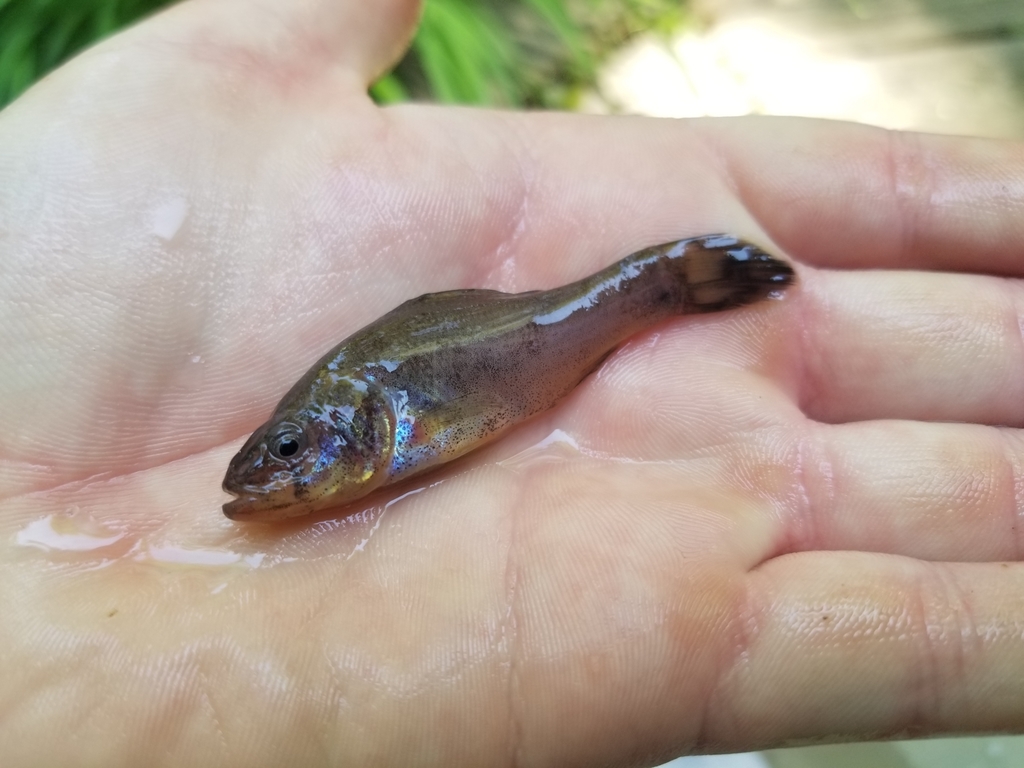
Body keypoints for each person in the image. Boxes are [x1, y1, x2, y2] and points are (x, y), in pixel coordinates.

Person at [2, 0, 1023, 765]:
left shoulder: (381, 416)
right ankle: (666, 281)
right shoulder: (349, 433)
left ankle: (668, 280)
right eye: (279, 459)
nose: (269, 479)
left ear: (348, 428)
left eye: (286, 457)